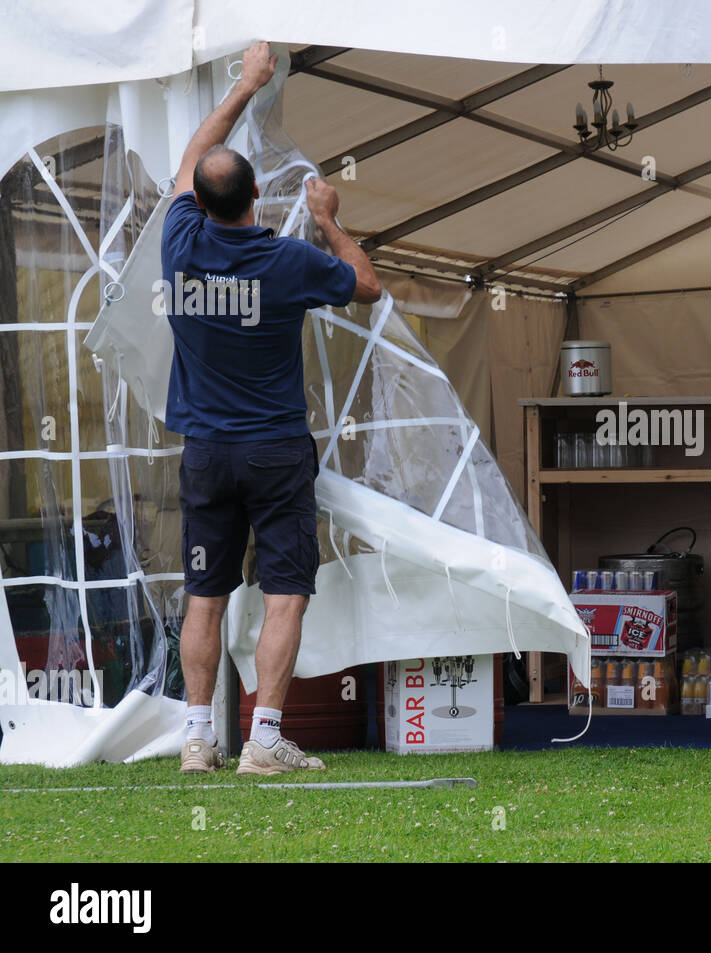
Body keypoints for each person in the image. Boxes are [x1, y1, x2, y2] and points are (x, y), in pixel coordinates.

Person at [167, 42, 383, 774]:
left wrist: (246, 85)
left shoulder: (179, 243)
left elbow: (201, 150)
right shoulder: (287, 261)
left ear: (200, 199)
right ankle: (262, 740)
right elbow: (368, 285)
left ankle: (198, 738)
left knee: (205, 594)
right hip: (276, 450)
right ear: (256, 199)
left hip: (206, 450)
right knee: (285, 593)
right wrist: (327, 218)